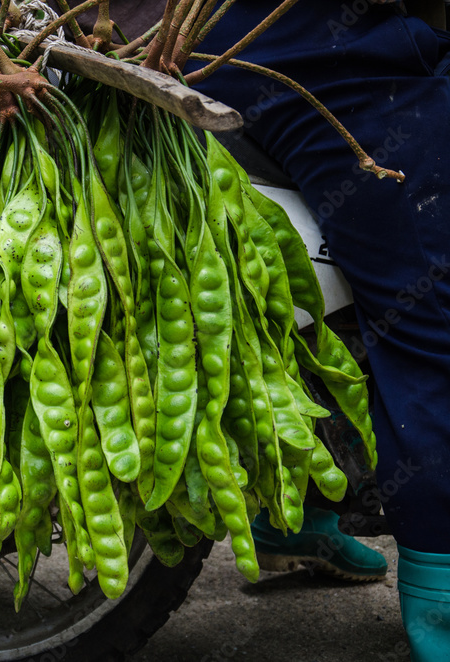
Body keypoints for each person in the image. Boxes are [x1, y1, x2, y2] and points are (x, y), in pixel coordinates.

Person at [170, 1, 450, 659]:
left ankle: (297, 505)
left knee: (329, 300)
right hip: (296, 48)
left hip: (205, 36)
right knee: (428, 325)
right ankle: (440, 607)